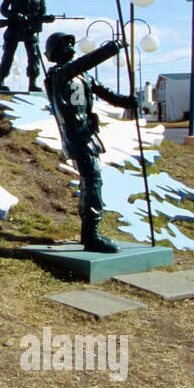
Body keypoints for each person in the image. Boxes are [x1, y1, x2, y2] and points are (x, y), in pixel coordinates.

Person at [44, 31, 137, 253]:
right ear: (55, 52)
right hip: (75, 136)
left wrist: (129, 101)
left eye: (71, 43)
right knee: (92, 181)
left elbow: (109, 95)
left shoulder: (83, 76)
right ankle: (91, 235)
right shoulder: (58, 74)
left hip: (89, 134)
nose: (70, 47)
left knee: (93, 181)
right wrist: (111, 49)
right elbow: (85, 62)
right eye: (65, 44)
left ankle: (90, 233)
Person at [0, 0, 53, 91]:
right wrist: (15, 15)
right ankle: (0, 81)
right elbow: (3, 9)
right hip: (14, 29)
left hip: (30, 30)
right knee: (8, 56)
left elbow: (41, 14)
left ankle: (33, 83)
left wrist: (46, 19)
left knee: (33, 57)